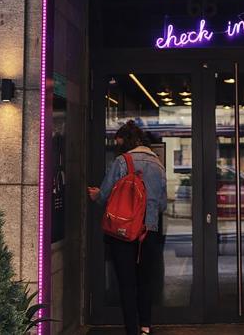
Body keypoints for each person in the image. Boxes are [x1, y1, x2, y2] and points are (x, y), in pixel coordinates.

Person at [89, 121, 167, 335]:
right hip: (149, 232)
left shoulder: (122, 162)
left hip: (123, 233)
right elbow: (162, 204)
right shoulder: (158, 164)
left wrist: (95, 195)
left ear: (127, 142)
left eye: (120, 144)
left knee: (126, 283)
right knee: (145, 281)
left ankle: (131, 330)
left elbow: (104, 195)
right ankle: (145, 327)